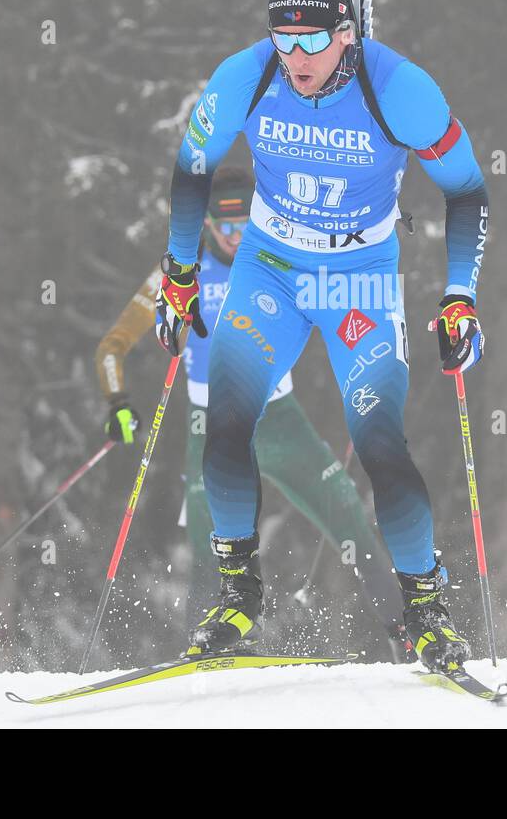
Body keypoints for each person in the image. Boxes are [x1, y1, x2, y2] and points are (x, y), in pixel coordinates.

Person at [155, 0, 488, 671]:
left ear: (347, 31)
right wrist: (181, 273)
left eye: (312, 39)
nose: (296, 56)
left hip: (358, 278)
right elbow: (192, 166)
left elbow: (466, 189)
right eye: (283, 36)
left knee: (378, 442)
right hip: (270, 267)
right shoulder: (248, 74)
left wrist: (460, 292)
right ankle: (237, 592)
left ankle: (426, 610)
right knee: (228, 418)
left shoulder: (397, 87)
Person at [96, 167, 408, 661]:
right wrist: (117, 404)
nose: (235, 236)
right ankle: (209, 656)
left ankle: (406, 634)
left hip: (279, 419)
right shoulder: (180, 273)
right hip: (211, 426)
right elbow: (112, 347)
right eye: (224, 226)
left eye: (245, 225)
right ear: (206, 224)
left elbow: (349, 313)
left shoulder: (276, 262)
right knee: (213, 549)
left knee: (348, 515)